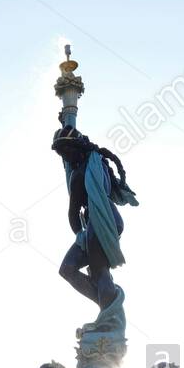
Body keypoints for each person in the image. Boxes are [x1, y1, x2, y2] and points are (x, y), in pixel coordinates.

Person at [52, 123, 138, 309]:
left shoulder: (81, 173)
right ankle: (108, 309)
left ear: (76, 148)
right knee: (94, 270)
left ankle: (110, 308)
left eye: (66, 151)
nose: (64, 156)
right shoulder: (97, 162)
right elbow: (69, 160)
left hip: (98, 220)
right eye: (61, 153)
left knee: (87, 270)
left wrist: (79, 233)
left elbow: (73, 212)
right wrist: (67, 120)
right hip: (110, 218)